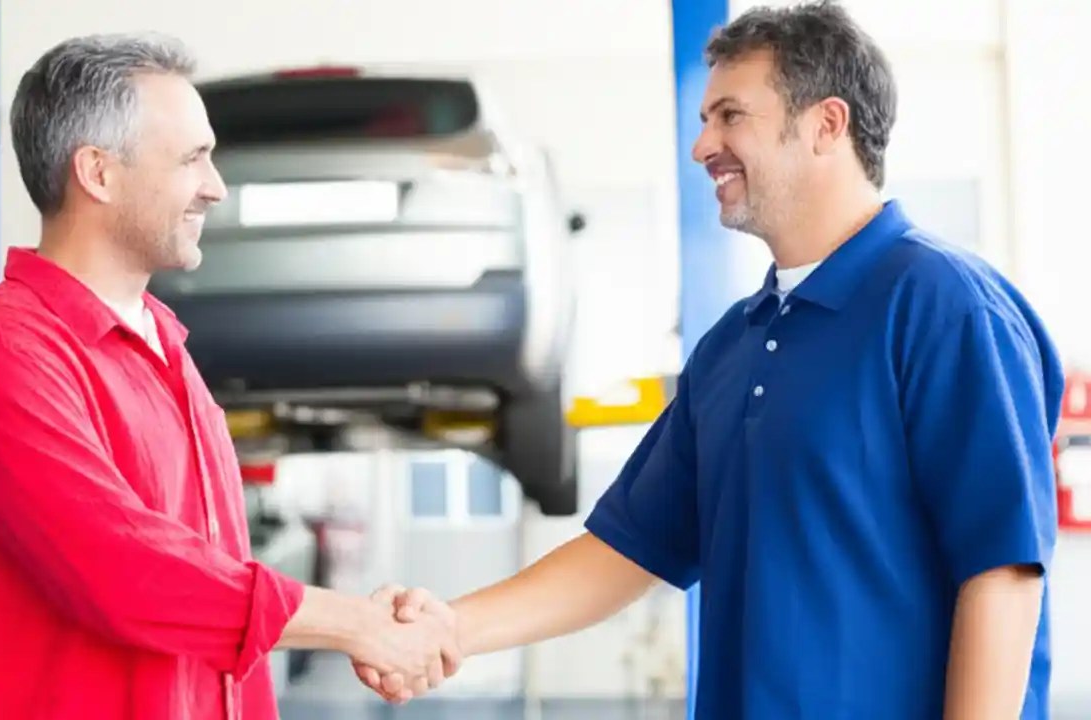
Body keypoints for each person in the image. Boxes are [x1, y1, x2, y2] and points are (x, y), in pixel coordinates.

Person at [358, 2, 1064, 718]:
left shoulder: (943, 307)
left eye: (730, 116)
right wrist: (454, 628)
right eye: (704, 120)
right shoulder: (734, 345)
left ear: (827, 125)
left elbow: (1003, 571)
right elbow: (628, 548)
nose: (702, 145)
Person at [0, 33, 459, 720]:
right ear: (99, 173)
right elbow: (126, 572)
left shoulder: (166, 350)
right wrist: (357, 624)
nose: (216, 186)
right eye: (193, 159)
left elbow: (214, 596)